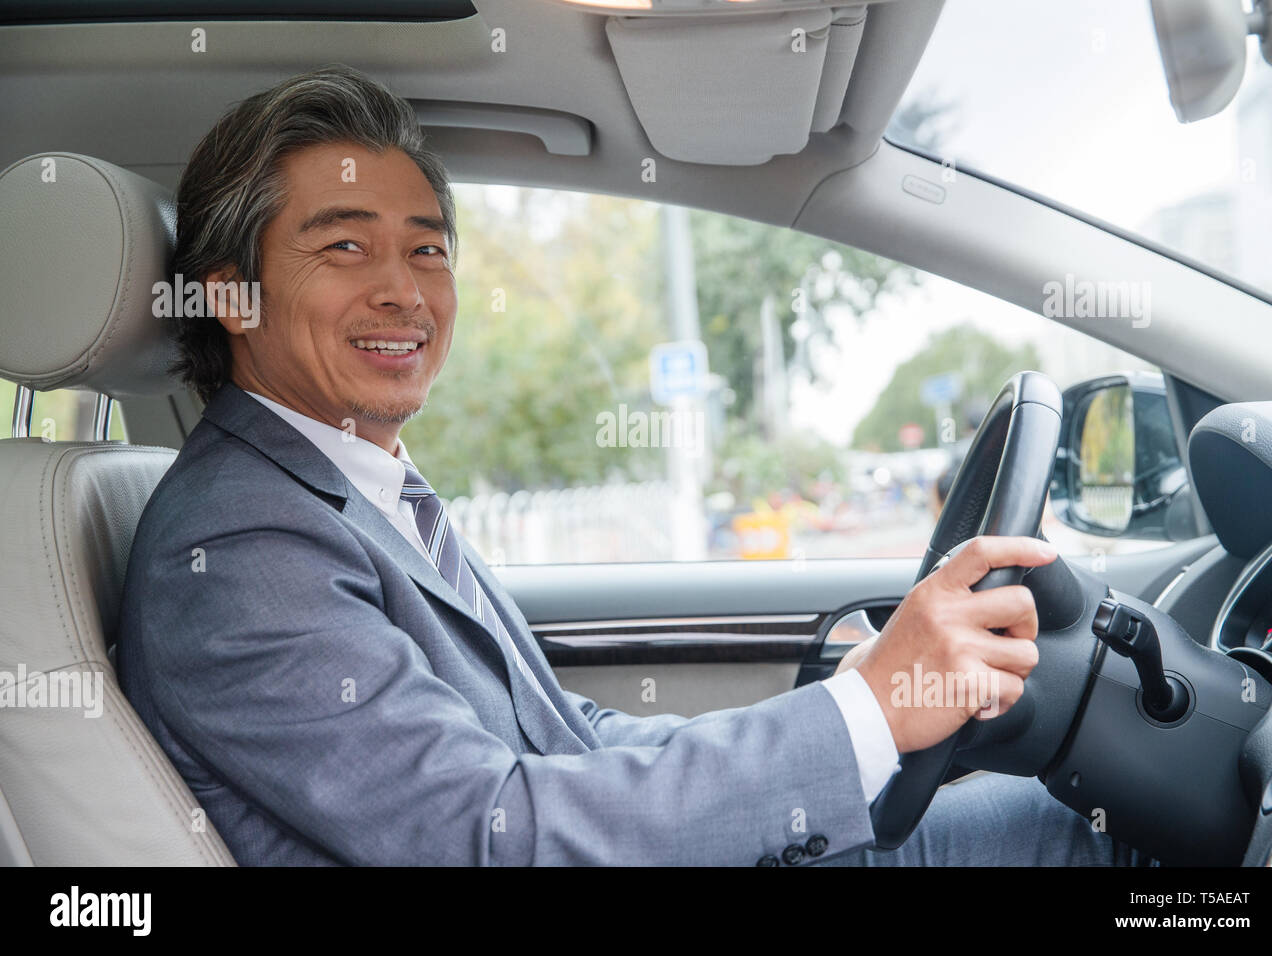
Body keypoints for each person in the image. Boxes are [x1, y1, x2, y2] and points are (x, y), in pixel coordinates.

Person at [116, 65, 1132, 866]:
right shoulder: (236, 542)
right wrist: (861, 717)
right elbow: (493, 829)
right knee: (1080, 841)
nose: (404, 293)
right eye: (343, 248)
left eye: (426, 250)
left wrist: (851, 699)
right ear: (229, 296)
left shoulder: (348, 482)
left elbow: (563, 736)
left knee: (1054, 818)